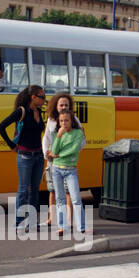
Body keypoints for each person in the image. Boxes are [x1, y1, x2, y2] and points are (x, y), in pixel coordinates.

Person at [0, 84, 46, 223]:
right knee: (23, 190)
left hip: (39, 156)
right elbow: (1, 126)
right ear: (33, 97)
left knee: (35, 191)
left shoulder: (39, 111)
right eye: (42, 97)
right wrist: (11, 145)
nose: (44, 100)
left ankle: (31, 221)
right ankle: (18, 222)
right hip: (25, 156)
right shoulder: (21, 111)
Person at [42, 92, 82, 225]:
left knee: (68, 192)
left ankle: (70, 220)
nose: (63, 107)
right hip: (52, 162)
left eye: (66, 104)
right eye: (61, 105)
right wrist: (46, 153)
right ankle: (53, 218)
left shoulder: (74, 120)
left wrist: (66, 154)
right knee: (52, 191)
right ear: (56, 106)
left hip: (66, 163)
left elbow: (81, 141)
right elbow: (46, 139)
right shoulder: (51, 121)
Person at [49, 108, 85, 234]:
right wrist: (58, 137)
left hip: (70, 170)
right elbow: (54, 150)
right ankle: (62, 226)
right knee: (60, 199)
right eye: (61, 121)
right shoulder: (57, 133)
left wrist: (58, 155)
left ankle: (81, 227)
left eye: (66, 120)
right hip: (56, 169)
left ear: (72, 121)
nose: (64, 123)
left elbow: (74, 150)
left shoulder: (78, 133)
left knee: (76, 198)